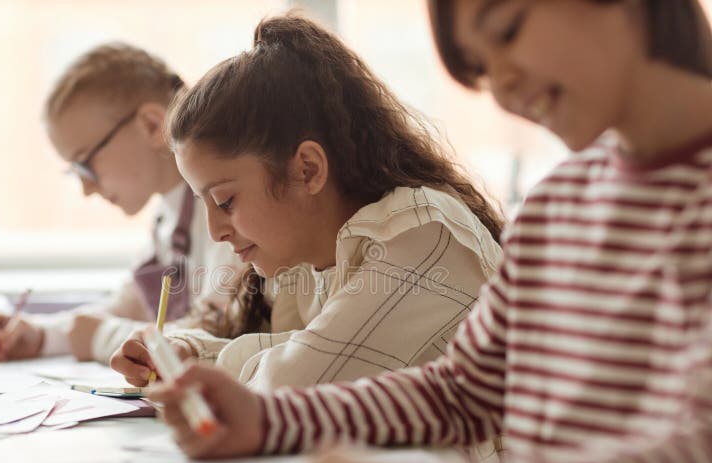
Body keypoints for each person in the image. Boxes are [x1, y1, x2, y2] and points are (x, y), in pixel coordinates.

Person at [150, 3, 712, 463]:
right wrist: (267, 420)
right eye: (481, 68)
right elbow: (464, 392)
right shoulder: (558, 205)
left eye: (509, 31)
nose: (502, 87)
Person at [109, 14, 505, 406]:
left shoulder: (421, 233)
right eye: (204, 205)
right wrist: (184, 352)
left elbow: (292, 385)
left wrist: (198, 363)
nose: (215, 231)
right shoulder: (303, 262)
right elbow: (301, 351)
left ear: (307, 170)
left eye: (226, 201)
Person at [0, 43, 235, 363]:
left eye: (86, 163)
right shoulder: (169, 215)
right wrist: (38, 335)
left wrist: (102, 338)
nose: (86, 189)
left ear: (152, 126)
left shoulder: (225, 211)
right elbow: (126, 307)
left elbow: (215, 330)